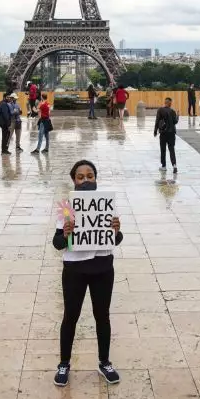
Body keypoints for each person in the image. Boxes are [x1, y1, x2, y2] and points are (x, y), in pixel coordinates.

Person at [52, 160, 123, 387]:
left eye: (90, 176)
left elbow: (116, 240)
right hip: (75, 270)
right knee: (70, 317)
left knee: (102, 316)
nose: (85, 180)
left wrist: (116, 230)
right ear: (74, 180)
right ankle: (64, 363)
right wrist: (65, 233)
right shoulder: (66, 206)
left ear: (95, 178)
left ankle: (104, 362)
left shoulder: (107, 203)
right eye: (80, 177)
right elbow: (57, 243)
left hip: (103, 268)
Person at [154, 97, 179, 172]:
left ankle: (164, 166)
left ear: (165, 102)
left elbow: (157, 120)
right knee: (171, 149)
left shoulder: (160, 110)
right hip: (171, 133)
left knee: (163, 149)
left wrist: (155, 131)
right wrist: (178, 116)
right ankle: (174, 165)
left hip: (163, 133)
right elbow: (175, 122)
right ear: (170, 103)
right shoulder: (173, 111)